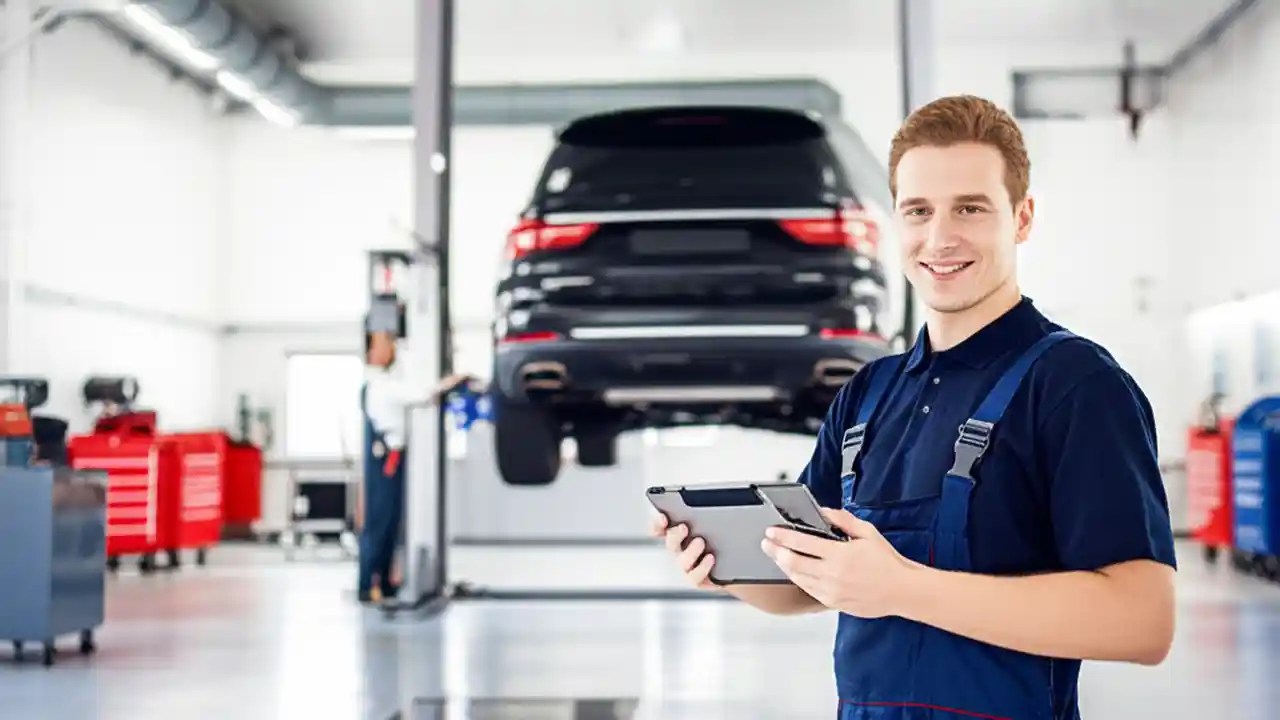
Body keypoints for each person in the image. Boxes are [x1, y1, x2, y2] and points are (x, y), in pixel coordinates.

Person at [652, 95, 1176, 719]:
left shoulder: (1075, 385)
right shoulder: (868, 396)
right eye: (918, 211)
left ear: (1022, 218)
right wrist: (724, 568)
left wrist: (903, 588)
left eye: (971, 209)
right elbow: (808, 582)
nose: (940, 237)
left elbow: (1142, 621)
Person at [358, 329, 472, 604]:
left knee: (391, 521)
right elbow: (422, 394)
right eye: (385, 344)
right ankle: (367, 584)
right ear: (372, 353)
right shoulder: (380, 384)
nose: (391, 348)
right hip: (386, 459)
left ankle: (384, 583)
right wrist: (452, 381)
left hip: (391, 458)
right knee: (381, 521)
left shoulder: (386, 380)